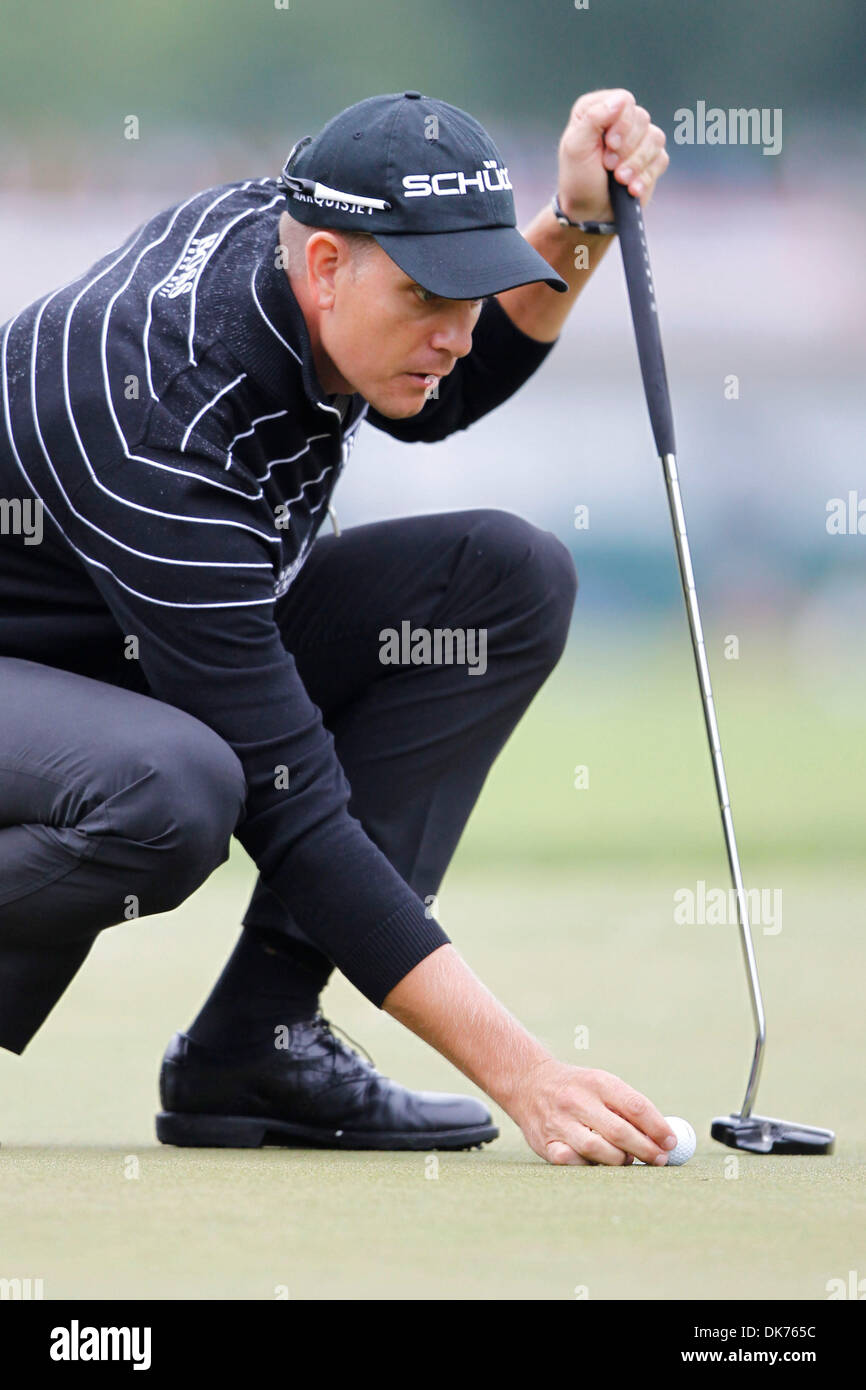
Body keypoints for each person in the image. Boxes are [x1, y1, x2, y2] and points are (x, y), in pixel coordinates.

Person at [0, 87, 676, 1166]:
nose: (453, 335)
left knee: (497, 581)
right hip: (32, 672)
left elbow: (436, 393)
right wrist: (525, 1075)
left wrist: (580, 221)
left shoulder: (310, 246)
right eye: (426, 297)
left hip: (107, 646)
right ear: (323, 267)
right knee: (171, 793)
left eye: (473, 293)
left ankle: (256, 1049)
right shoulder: (159, 411)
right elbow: (295, 811)